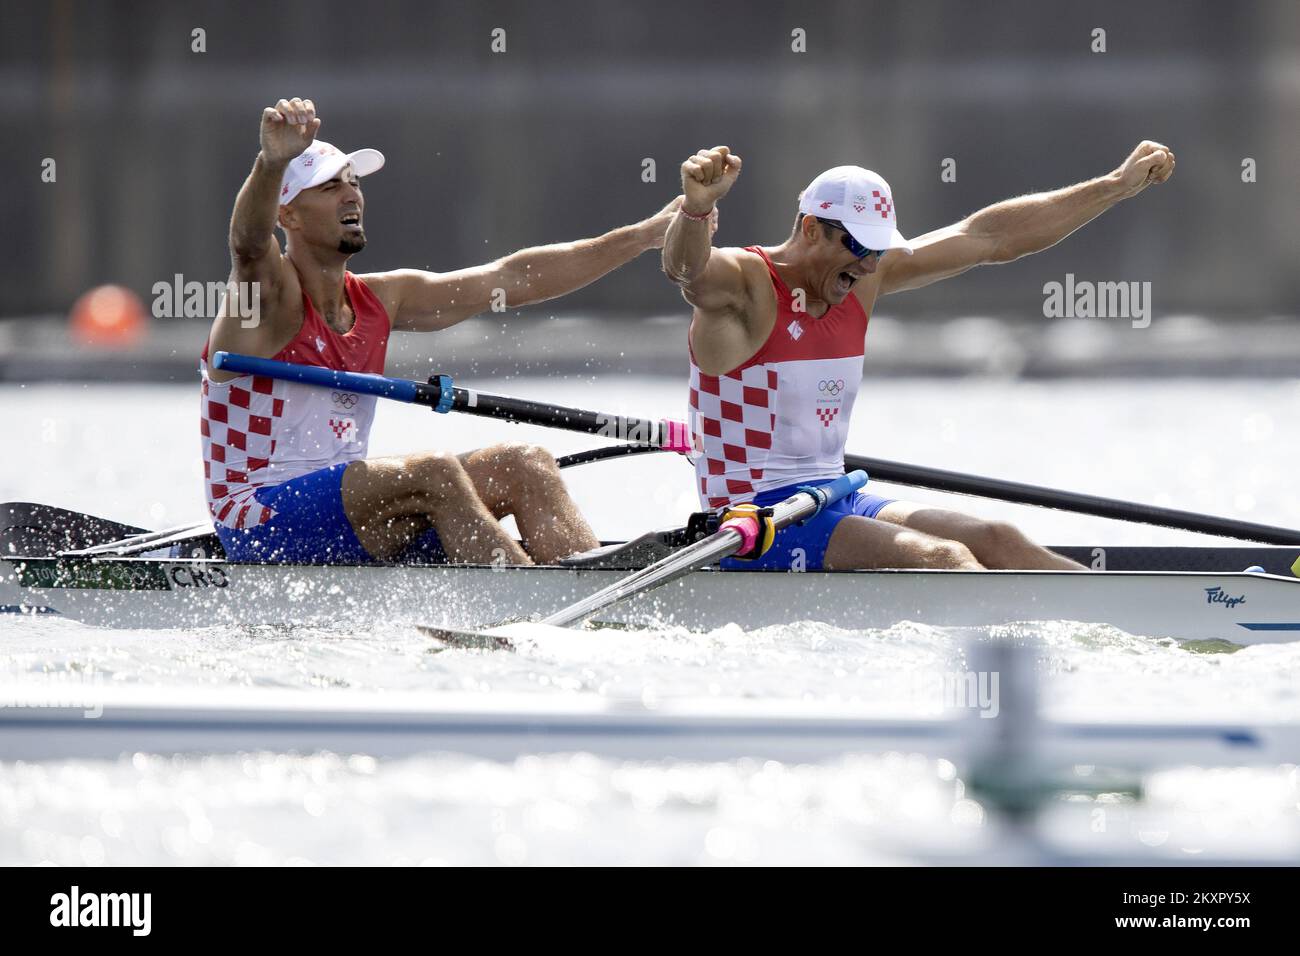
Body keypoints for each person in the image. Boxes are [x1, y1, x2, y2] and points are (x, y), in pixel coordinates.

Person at [203, 97, 683, 565]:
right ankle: (520, 604)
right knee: (433, 470)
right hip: (258, 518)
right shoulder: (265, 300)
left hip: (350, 515)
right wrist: (271, 163)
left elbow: (511, 278)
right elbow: (247, 245)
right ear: (286, 215)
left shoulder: (382, 299)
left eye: (353, 183)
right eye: (330, 188)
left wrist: (641, 237)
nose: (352, 195)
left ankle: (592, 597)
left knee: (526, 462)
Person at [662, 142, 1175, 571]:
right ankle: (1024, 664)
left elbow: (987, 237)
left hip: (834, 498)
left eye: (878, 250)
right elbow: (687, 272)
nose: (867, 265)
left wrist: (1113, 185)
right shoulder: (746, 283)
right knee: (945, 558)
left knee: (999, 539)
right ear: (811, 228)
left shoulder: (865, 279)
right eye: (858, 247)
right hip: (752, 522)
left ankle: (1135, 630)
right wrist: (696, 210)